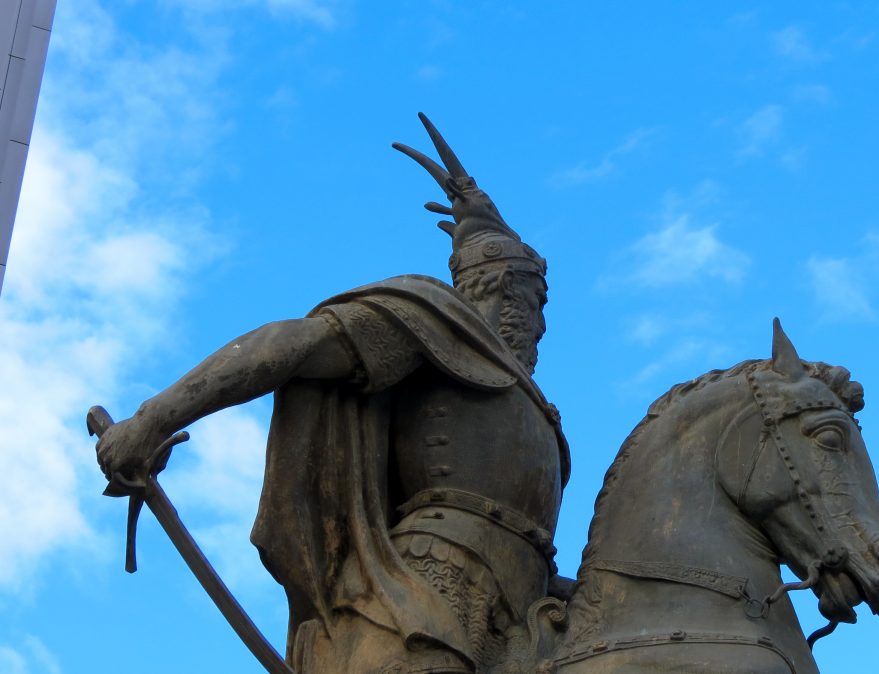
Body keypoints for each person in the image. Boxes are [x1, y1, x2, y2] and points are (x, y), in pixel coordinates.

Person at [96, 114, 570, 674]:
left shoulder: (539, 412)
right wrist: (153, 420)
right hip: (429, 594)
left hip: (521, 618)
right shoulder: (435, 321)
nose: (540, 326)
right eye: (536, 303)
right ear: (508, 288)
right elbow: (292, 344)